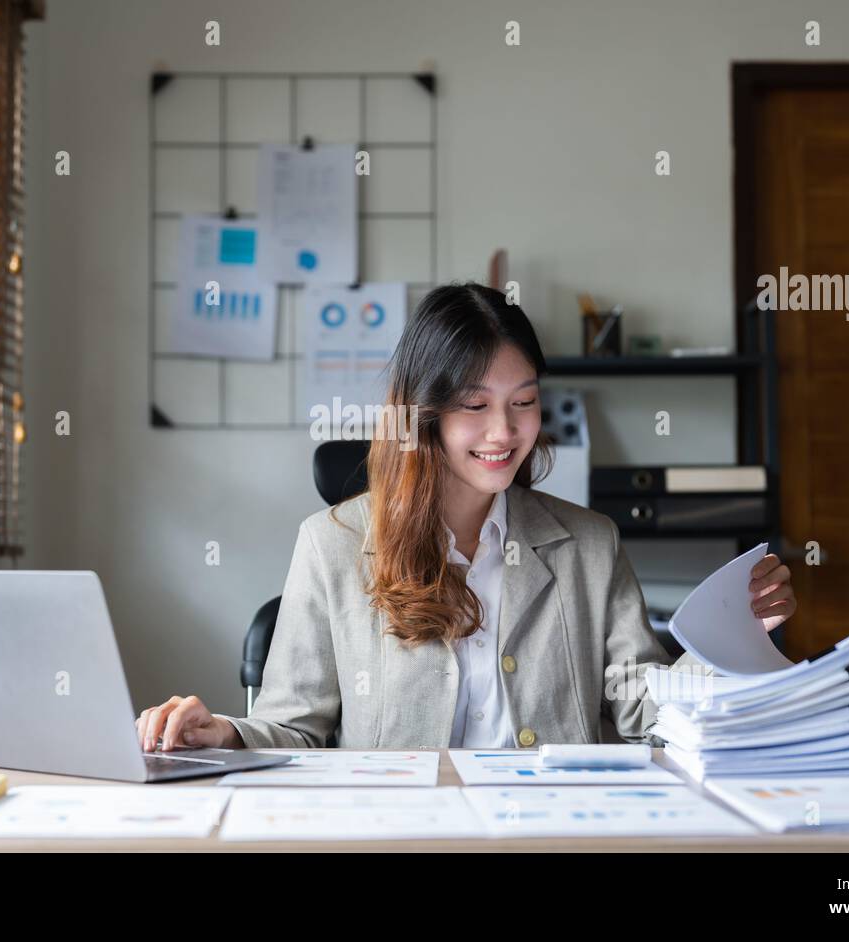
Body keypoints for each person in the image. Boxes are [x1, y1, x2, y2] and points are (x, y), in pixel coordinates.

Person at [137, 282, 795, 752]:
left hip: (555, 835)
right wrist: (221, 732)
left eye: (524, 402)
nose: (504, 432)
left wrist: (735, 636)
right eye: (475, 406)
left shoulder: (590, 546)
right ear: (426, 414)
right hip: (405, 838)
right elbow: (291, 730)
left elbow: (642, 715)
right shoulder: (331, 545)